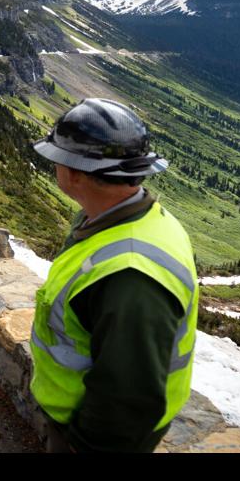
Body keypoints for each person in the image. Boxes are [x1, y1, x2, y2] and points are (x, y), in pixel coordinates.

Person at [30, 98, 198, 454]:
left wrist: (84, 445)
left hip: (90, 437)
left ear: (73, 172)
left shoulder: (130, 277)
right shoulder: (137, 221)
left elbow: (126, 398)